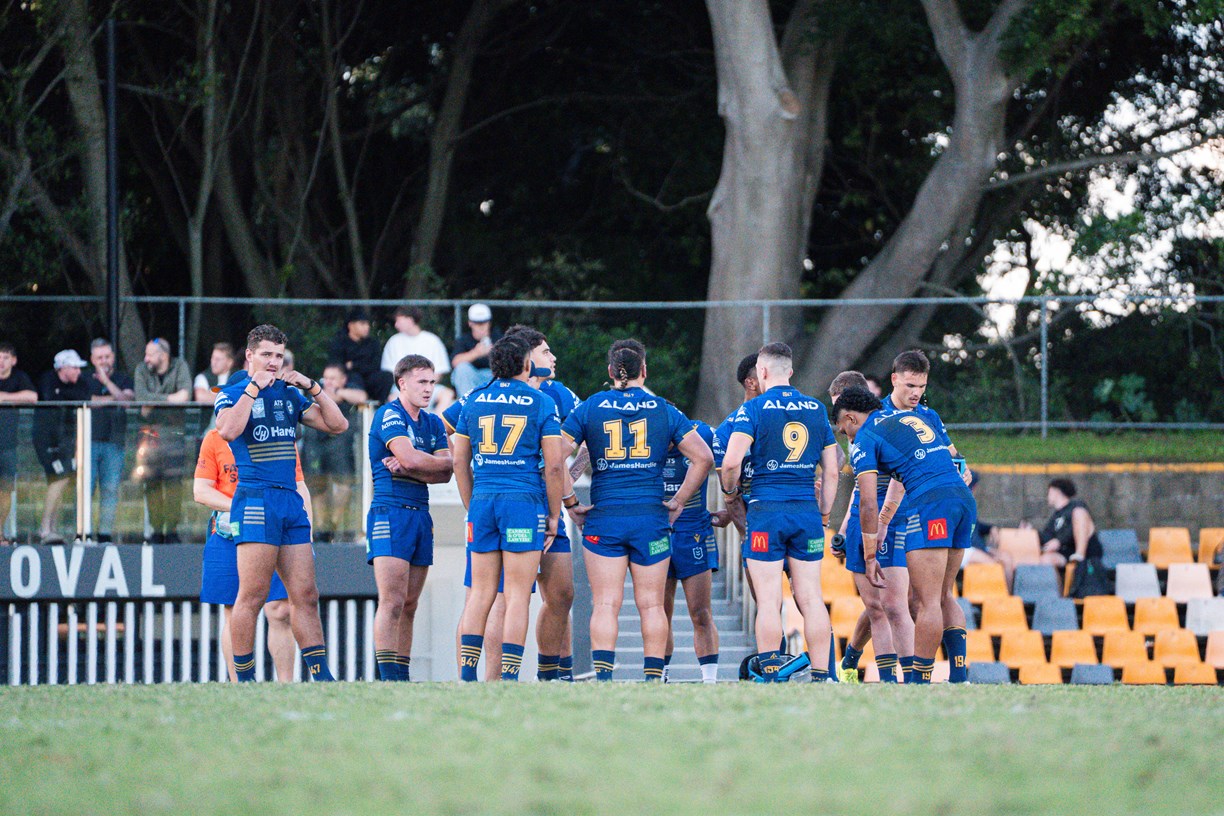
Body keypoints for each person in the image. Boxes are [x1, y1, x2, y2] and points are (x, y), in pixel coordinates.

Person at [562, 339, 713, 681]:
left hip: (606, 516)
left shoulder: (591, 406)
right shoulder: (663, 408)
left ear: (610, 372)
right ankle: (651, 679)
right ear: (644, 370)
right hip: (650, 518)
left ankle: (603, 679)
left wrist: (571, 504)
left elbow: (554, 461)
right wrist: (678, 500)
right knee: (651, 604)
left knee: (605, 604)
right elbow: (703, 457)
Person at [214, 323, 349, 682]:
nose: (273, 362)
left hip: (290, 501)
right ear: (249, 355)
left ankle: (322, 677)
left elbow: (338, 425)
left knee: (305, 594)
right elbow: (227, 431)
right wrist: (254, 387)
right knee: (253, 595)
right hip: (255, 500)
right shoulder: (232, 392)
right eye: (266, 355)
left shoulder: (290, 395)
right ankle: (244, 680)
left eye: (278, 356)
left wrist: (313, 387)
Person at [833, 386, 976, 685]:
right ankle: (959, 677)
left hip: (931, 504)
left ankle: (919, 682)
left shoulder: (865, 438)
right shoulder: (909, 419)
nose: (848, 438)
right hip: (963, 499)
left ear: (849, 418)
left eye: (844, 430)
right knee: (942, 595)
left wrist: (870, 554)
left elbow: (868, 501)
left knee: (924, 603)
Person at [720, 343, 840, 682]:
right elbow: (831, 472)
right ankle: (821, 675)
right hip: (805, 511)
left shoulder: (754, 409)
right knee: (811, 598)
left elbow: (731, 462)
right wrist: (824, 516)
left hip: (765, 511)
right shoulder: (816, 409)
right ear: (790, 371)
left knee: (770, 601)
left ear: (762, 372)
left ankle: (771, 671)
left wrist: (731, 495)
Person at [452, 334, 566, 682]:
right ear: (527, 365)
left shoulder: (473, 401)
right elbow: (555, 466)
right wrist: (554, 515)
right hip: (522, 503)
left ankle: (468, 676)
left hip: (484, 501)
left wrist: (472, 505)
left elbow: (459, 461)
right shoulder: (540, 402)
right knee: (517, 595)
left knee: (480, 594)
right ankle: (510, 677)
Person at [872, 349, 973, 682]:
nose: (916, 393)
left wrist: (963, 469)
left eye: (922, 386)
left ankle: (939, 677)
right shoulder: (879, 415)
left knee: (929, 599)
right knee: (895, 601)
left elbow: (953, 456)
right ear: (895, 380)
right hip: (906, 514)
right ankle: (889, 670)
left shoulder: (928, 414)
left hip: (922, 511)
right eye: (910, 385)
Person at [194, 419, 308, 682]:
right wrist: (244, 507)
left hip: (276, 529)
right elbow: (200, 490)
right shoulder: (214, 438)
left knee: (280, 609)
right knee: (234, 609)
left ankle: (286, 685)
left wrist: (306, 532)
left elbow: (299, 485)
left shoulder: (279, 436)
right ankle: (239, 684)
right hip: (228, 532)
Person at [367, 354, 452, 681]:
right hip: (391, 510)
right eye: (422, 382)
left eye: (432, 382)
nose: (429, 389)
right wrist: (421, 462)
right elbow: (409, 457)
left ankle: (402, 674)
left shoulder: (432, 422)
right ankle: (389, 678)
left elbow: (448, 470)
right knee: (392, 601)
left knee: (411, 604)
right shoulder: (389, 414)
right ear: (402, 383)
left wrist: (418, 465)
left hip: (420, 513)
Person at [504, 324, 581, 681]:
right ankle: (491, 683)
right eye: (546, 352)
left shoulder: (558, 394)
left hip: (549, 504)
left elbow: (590, 433)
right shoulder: (492, 392)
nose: (554, 357)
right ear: (527, 357)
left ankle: (550, 677)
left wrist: (572, 474)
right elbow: (452, 430)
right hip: (507, 503)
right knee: (497, 598)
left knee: (562, 594)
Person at [828, 370, 911, 684]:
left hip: (891, 518)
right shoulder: (857, 432)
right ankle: (867, 668)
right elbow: (860, 490)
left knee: (894, 604)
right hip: (866, 518)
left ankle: (860, 660)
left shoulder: (883, 424)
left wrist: (883, 522)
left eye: (840, 406)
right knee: (879, 604)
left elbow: (896, 482)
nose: (839, 418)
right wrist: (846, 526)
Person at [663, 417, 721, 683]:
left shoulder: (704, 434)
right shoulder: (645, 434)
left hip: (694, 532)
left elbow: (735, 462)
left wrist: (733, 506)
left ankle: (710, 680)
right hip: (656, 532)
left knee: (700, 612)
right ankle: (658, 675)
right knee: (659, 612)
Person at [134, 338, 192, 543]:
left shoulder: (180, 366)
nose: (146, 358)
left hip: (175, 434)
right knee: (152, 484)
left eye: (150, 354)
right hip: (149, 436)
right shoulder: (142, 369)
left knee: (174, 484)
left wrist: (153, 400)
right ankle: (157, 531)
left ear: (163, 356)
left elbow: (185, 396)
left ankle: (172, 531)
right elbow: (140, 398)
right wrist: (169, 399)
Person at [301, 363, 367, 541]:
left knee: (344, 484)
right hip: (315, 445)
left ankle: (335, 521)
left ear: (343, 380)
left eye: (332, 378)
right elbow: (316, 400)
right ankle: (322, 528)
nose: (327, 382)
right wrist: (330, 395)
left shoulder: (348, 390)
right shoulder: (315, 391)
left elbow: (361, 396)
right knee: (317, 488)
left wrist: (338, 394)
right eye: (326, 378)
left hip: (341, 445)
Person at [34, 350, 91, 544]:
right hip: (47, 440)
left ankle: (52, 528)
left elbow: (84, 397)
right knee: (57, 479)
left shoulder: (79, 383)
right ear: (62, 368)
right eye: (74, 367)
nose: (78, 372)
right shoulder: (48, 379)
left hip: (68, 440)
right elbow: (50, 398)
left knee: (63, 480)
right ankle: (44, 527)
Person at [87, 339, 135, 543]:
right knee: (86, 489)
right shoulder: (84, 378)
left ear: (113, 357)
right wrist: (113, 397)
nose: (104, 361)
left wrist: (107, 383)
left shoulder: (123, 378)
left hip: (114, 442)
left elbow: (126, 401)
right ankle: (85, 532)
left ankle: (104, 534)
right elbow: (88, 401)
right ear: (92, 359)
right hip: (87, 441)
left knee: (110, 489)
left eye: (107, 356)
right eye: (99, 358)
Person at [710, 353, 761, 536]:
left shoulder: (789, 417)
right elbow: (732, 496)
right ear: (751, 382)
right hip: (757, 522)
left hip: (794, 518)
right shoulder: (725, 432)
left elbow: (837, 458)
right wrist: (748, 537)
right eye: (766, 374)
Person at [0, 342, 38, 545]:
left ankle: (1, 534)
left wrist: (4, 397)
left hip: (8, 445)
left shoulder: (19, 378)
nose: (1, 361)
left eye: (5, 357)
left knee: (6, 491)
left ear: (13, 361)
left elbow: (32, 397)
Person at [381, 306, 454, 410]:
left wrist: (423, 384)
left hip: (428, 388)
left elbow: (439, 373)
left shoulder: (432, 340)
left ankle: (437, 425)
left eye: (399, 320)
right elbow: (390, 374)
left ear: (410, 320)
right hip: (403, 390)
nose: (396, 325)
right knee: (393, 398)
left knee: (447, 394)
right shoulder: (393, 341)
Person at [1030, 478, 1103, 567]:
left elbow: (1073, 528)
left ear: (1056, 492)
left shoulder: (1078, 506)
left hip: (1086, 550)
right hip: (1066, 553)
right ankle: (1060, 580)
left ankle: (1080, 556)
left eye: (1049, 493)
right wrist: (1031, 532)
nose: (1047, 497)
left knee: (1079, 513)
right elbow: (1048, 537)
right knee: (1045, 560)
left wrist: (1059, 541)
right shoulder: (1055, 516)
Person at [329, 308, 393, 402]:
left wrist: (353, 365)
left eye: (367, 324)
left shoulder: (372, 343)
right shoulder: (340, 343)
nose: (366, 327)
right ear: (351, 325)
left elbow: (375, 365)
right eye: (362, 324)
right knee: (353, 378)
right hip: (350, 380)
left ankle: (380, 406)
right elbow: (338, 366)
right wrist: (362, 364)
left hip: (370, 379)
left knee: (386, 376)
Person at [450, 303, 500, 398]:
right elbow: (455, 362)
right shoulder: (463, 340)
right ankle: (468, 405)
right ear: (470, 323)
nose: (481, 327)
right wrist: (476, 353)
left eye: (484, 323)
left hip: (492, 379)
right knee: (462, 368)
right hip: (471, 380)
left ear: (489, 323)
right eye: (477, 323)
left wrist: (494, 353)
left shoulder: (499, 339)